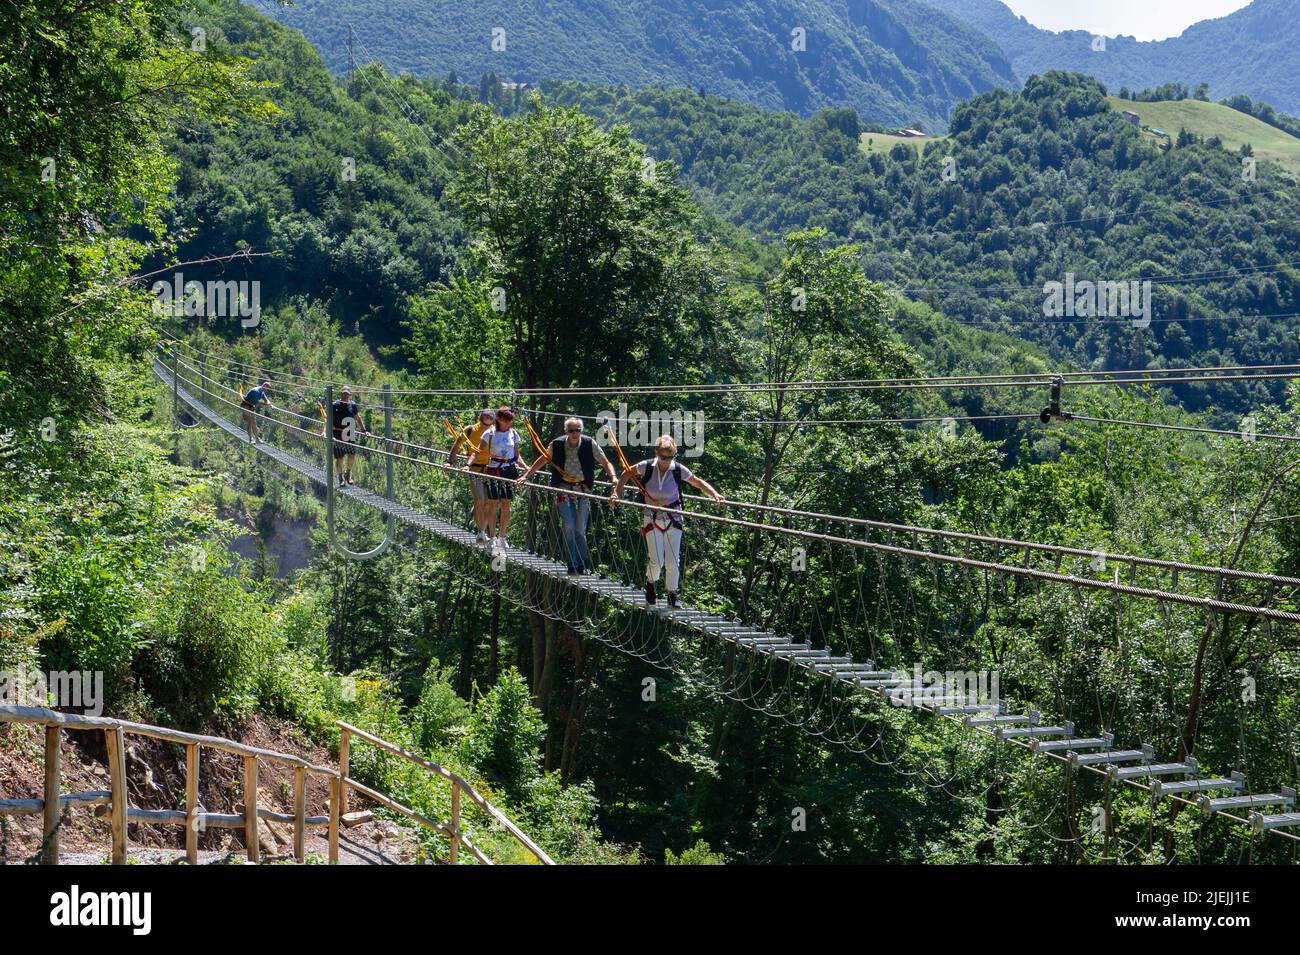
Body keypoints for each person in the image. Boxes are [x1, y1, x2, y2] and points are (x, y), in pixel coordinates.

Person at [611, 434, 723, 608]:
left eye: (670, 457)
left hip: (674, 517)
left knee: (673, 561)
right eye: (663, 457)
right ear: (657, 453)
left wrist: (714, 494)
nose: (666, 461)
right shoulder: (647, 466)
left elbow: (697, 482)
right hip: (652, 518)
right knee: (656, 561)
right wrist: (616, 493)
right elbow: (626, 472)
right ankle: (650, 584)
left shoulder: (678, 469)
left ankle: (672, 594)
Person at [517, 417, 618, 575]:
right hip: (563, 488)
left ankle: (581, 563)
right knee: (568, 525)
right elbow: (543, 459)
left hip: (583, 489)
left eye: (577, 430)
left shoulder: (588, 443)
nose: (574, 433)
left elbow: (605, 462)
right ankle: (572, 563)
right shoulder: (557, 444)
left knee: (580, 529)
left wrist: (613, 478)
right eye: (571, 430)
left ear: (581, 431)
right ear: (566, 431)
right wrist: (526, 476)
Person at [451, 410, 496, 545]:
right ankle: (481, 532)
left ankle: (483, 530)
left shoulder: (495, 432)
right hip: (474, 468)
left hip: (490, 469)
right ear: (479, 419)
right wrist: (450, 461)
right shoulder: (469, 430)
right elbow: (457, 445)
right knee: (479, 500)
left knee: (489, 502)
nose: (485, 426)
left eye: (489, 424)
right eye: (483, 423)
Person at [482, 407, 524, 550]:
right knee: (493, 504)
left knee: (506, 504)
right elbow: (478, 451)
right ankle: (492, 537)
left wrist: (527, 469)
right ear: (499, 419)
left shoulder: (514, 433)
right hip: (494, 470)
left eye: (510, 420)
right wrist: (470, 465)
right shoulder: (490, 433)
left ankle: (502, 537)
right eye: (506, 420)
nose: (508, 423)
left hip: (510, 471)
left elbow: (517, 456)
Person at [330, 386, 369, 488]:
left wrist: (364, 431)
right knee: (340, 458)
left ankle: (348, 474)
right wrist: (326, 432)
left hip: (350, 434)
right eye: (344, 393)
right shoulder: (335, 405)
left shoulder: (353, 405)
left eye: (347, 394)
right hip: (338, 434)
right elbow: (328, 419)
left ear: (350, 395)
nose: (345, 395)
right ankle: (340, 478)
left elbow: (357, 418)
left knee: (351, 455)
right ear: (341, 394)